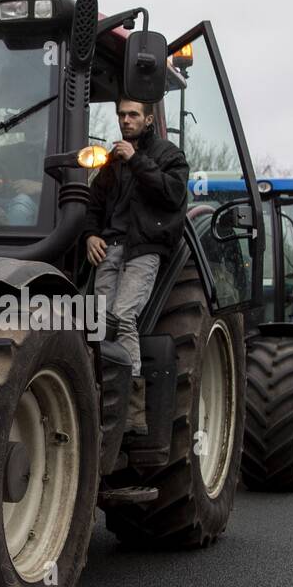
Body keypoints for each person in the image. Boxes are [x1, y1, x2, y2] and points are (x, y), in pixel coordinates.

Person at [84, 98, 190, 432]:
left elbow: (173, 196)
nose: (125, 121)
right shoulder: (112, 162)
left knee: (122, 317)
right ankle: (99, 402)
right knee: (99, 322)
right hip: (110, 247)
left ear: (148, 120)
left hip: (144, 249)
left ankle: (130, 413)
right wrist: (90, 235)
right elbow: (93, 205)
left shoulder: (169, 156)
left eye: (133, 115)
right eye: (121, 115)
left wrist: (138, 161)